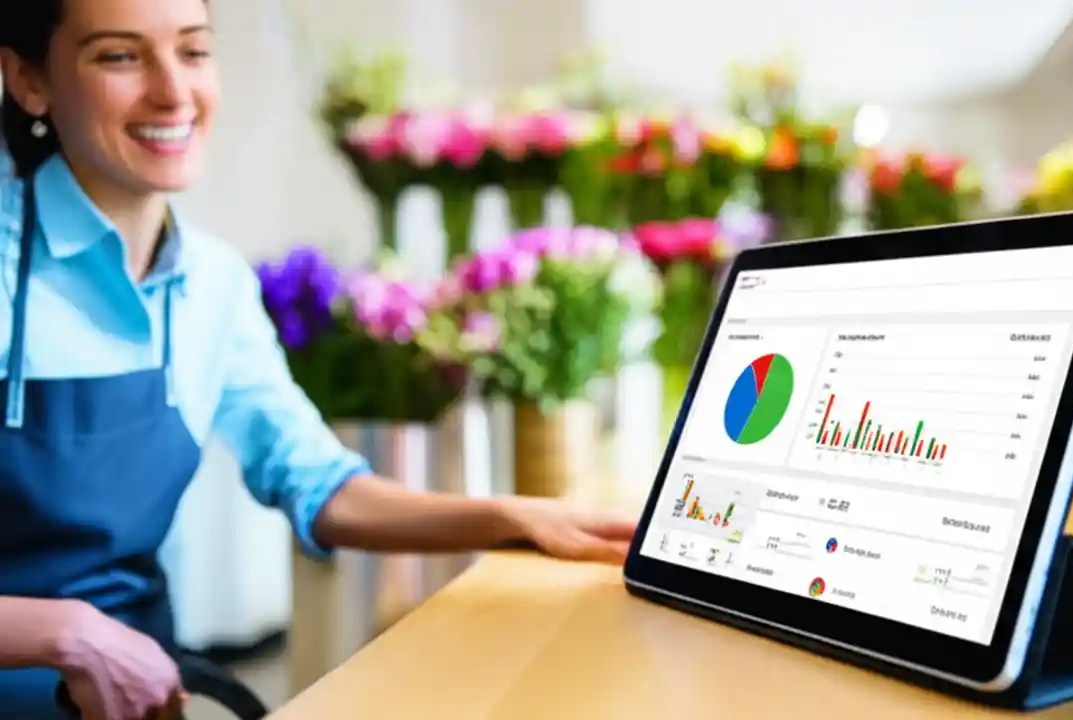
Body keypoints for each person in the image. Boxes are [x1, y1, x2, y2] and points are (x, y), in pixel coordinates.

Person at [0, 1, 636, 718]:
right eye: (119, 56)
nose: (173, 91)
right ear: (28, 78)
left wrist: (514, 517)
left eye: (194, 51)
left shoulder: (214, 284)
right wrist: (64, 630)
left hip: (137, 697)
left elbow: (318, 483)